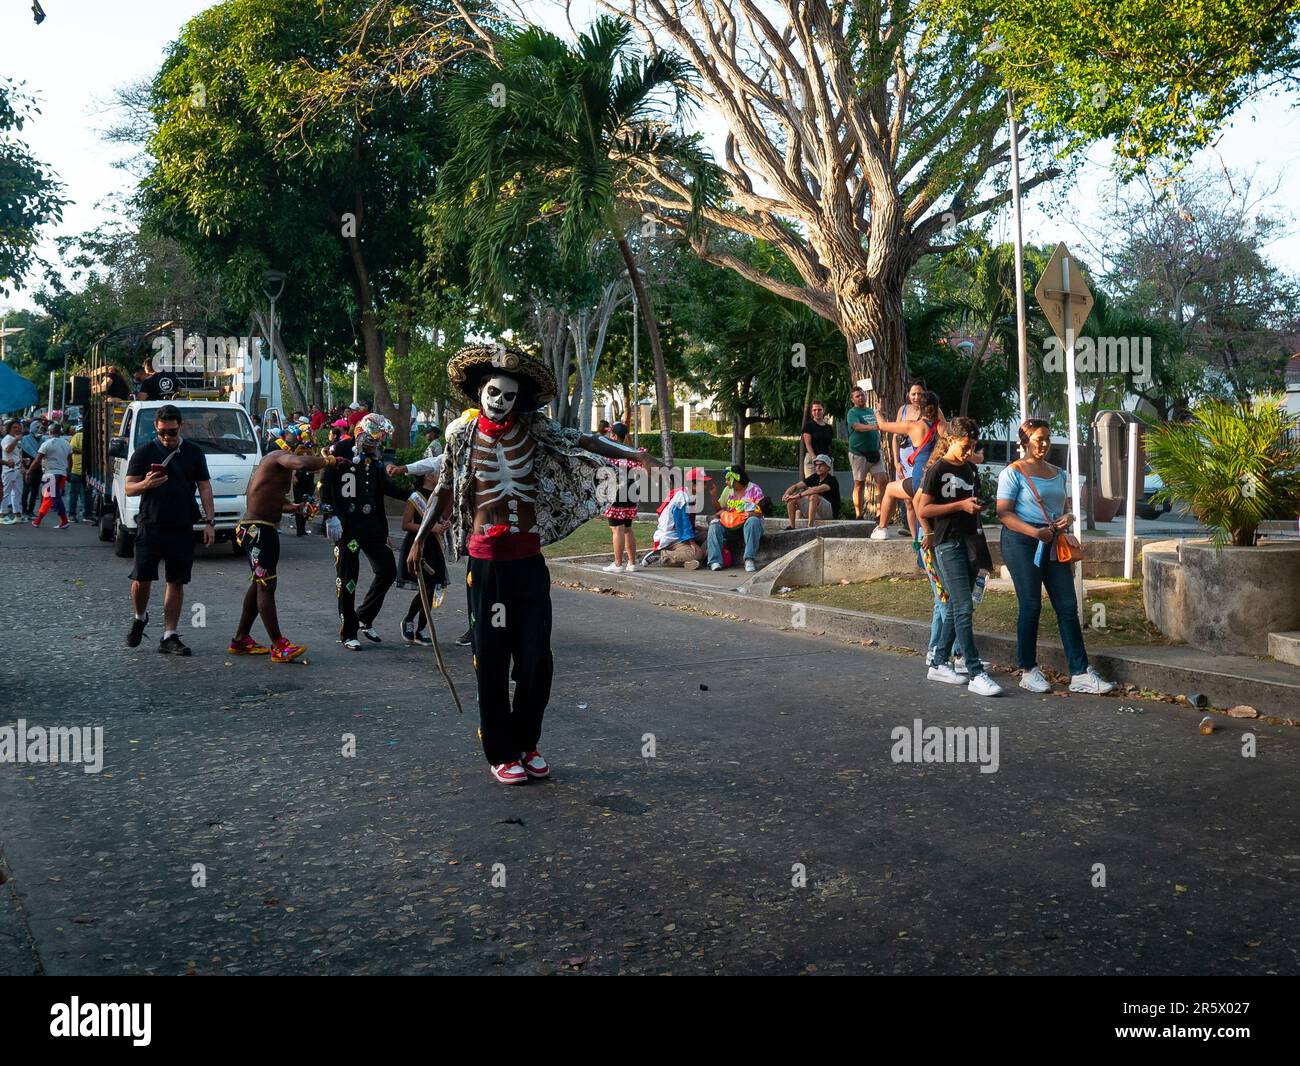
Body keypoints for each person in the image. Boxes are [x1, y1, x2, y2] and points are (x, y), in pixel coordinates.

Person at [408, 343, 662, 785]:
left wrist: (630, 455)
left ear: (517, 399)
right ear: (480, 392)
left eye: (508, 395)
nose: (499, 401)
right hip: (486, 562)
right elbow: (445, 487)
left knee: (535, 658)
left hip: (528, 558)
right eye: (493, 392)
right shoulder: (460, 437)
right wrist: (419, 536)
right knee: (491, 657)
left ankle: (527, 743)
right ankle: (500, 752)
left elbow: (580, 438)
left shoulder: (534, 430)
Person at [996, 419, 1115, 695]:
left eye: (1047, 438)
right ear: (1025, 441)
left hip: (1053, 542)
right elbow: (1004, 513)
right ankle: (1028, 669)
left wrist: (1068, 518)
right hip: (1022, 542)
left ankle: (1080, 672)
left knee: (1067, 605)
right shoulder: (1012, 473)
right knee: (1031, 604)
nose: (1044, 444)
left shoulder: (1058, 473)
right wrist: (1034, 532)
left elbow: (1064, 508)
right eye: (1039, 439)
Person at [228, 423, 337, 663]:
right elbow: (300, 464)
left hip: (261, 528)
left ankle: (241, 639)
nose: (305, 455)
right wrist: (327, 461)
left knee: (260, 584)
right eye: (304, 449)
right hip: (257, 530)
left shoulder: (278, 465)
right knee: (267, 586)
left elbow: (274, 500)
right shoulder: (278, 457)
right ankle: (278, 645)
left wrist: (295, 507)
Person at [915, 417, 1002, 696]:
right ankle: (975, 671)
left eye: (973, 445)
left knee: (956, 605)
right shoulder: (937, 469)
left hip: (969, 541)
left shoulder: (970, 469)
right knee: (963, 606)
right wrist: (959, 506)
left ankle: (939, 662)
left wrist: (973, 506)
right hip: (947, 543)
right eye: (966, 445)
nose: (969, 451)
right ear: (951, 440)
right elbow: (923, 509)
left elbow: (968, 501)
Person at [124, 404, 216, 655]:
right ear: (156, 427)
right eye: (163, 432)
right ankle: (140, 617)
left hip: (182, 525)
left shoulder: (194, 453)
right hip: (150, 523)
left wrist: (210, 522)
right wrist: (146, 483)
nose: (167, 437)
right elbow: (128, 488)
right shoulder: (144, 453)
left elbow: (204, 486)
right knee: (141, 579)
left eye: (172, 432)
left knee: (176, 580)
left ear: (181, 427)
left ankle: (169, 635)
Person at [320, 412, 405, 650]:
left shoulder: (374, 458)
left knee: (387, 570)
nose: (377, 445)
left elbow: (387, 487)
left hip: (372, 526)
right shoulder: (342, 449)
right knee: (349, 578)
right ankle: (348, 632)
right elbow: (325, 482)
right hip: (348, 526)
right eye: (374, 439)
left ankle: (363, 617)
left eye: (379, 441)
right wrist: (329, 515)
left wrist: (417, 494)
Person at [871, 391, 943, 540]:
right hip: (939, 478)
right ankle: (918, 536)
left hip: (920, 478)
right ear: (937, 407)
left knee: (890, 489)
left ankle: (882, 529)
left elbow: (883, 425)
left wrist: (877, 411)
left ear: (919, 408)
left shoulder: (913, 426)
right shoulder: (944, 426)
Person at [399, 466, 449, 646]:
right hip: (419, 545)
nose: (440, 475)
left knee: (432, 588)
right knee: (426, 587)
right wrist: (431, 528)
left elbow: (440, 518)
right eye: (437, 472)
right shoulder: (415, 497)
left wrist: (443, 525)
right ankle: (409, 620)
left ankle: (420, 629)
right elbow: (406, 524)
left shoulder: (439, 495)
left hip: (434, 546)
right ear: (428, 476)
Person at [706, 465, 766, 572]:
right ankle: (715, 561)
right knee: (715, 524)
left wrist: (750, 514)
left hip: (748, 527)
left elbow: (762, 512)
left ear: (736, 479)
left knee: (753, 521)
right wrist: (713, 496)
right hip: (731, 526)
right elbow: (718, 509)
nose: (726, 482)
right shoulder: (727, 490)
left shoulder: (754, 489)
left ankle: (749, 559)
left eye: (728, 480)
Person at [601, 422, 641, 573]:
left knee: (617, 529)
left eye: (610, 434)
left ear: (614, 436)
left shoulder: (611, 455)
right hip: (631, 493)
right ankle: (632, 562)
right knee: (627, 528)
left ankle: (618, 564)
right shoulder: (633, 453)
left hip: (616, 494)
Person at [650, 467, 710, 568]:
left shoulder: (690, 495)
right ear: (693, 485)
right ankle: (661, 556)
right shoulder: (681, 496)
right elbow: (681, 522)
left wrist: (698, 528)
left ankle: (695, 560)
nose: (705, 485)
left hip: (679, 534)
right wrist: (692, 542)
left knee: (711, 534)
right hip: (671, 537)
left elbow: (687, 521)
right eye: (703, 482)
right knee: (694, 553)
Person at [845, 386, 887, 519]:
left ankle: (880, 512)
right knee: (859, 484)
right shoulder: (852, 413)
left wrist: (880, 413)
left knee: (882, 480)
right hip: (859, 454)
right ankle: (859, 514)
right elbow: (857, 426)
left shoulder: (871, 411)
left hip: (875, 452)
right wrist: (873, 427)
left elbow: (881, 422)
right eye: (857, 396)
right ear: (853, 400)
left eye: (862, 395)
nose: (861, 397)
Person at [30, 422, 73, 529]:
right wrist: (68, 472)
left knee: (54, 497)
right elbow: (70, 460)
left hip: (50, 474)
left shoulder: (46, 444)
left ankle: (64, 520)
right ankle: (37, 521)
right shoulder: (66, 444)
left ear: (50, 431)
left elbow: (37, 460)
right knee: (48, 498)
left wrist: (28, 471)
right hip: (62, 473)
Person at [782, 454, 841, 527]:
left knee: (813, 496)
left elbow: (816, 490)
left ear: (828, 467)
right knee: (791, 500)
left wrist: (797, 496)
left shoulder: (832, 480)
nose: (818, 467)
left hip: (830, 513)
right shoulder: (814, 477)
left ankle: (810, 526)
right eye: (816, 465)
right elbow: (795, 486)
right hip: (816, 512)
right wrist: (786, 495)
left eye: (821, 465)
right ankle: (792, 527)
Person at [66, 423, 91, 522]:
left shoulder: (76, 436)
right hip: (85, 471)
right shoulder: (89, 436)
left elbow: (70, 449)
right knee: (86, 494)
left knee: (74, 494)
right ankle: (86, 515)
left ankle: (72, 515)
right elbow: (72, 450)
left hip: (76, 470)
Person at [800, 401, 833, 477]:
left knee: (827, 485)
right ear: (811, 412)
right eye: (814, 410)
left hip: (826, 460)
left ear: (823, 410)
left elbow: (829, 445)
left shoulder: (829, 428)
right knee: (813, 487)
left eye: (819, 409)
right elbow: (808, 444)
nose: (817, 412)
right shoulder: (808, 426)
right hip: (813, 460)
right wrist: (814, 458)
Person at [19, 420, 44, 518]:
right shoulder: (25, 439)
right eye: (36, 427)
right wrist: (24, 467)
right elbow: (21, 454)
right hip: (28, 468)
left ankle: (31, 511)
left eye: (40, 427)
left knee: (35, 490)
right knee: (26, 489)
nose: (38, 429)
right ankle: (24, 510)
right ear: (31, 428)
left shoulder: (43, 440)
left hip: (38, 468)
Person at [2, 420, 25, 523]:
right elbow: (7, 450)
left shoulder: (17, 439)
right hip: (8, 470)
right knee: (5, 493)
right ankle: (2, 515)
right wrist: (16, 439)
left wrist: (23, 463)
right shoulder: (7, 439)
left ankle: (18, 515)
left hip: (18, 469)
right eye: (14, 427)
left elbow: (17, 454)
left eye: (18, 427)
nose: (17, 429)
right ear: (9, 429)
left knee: (17, 493)